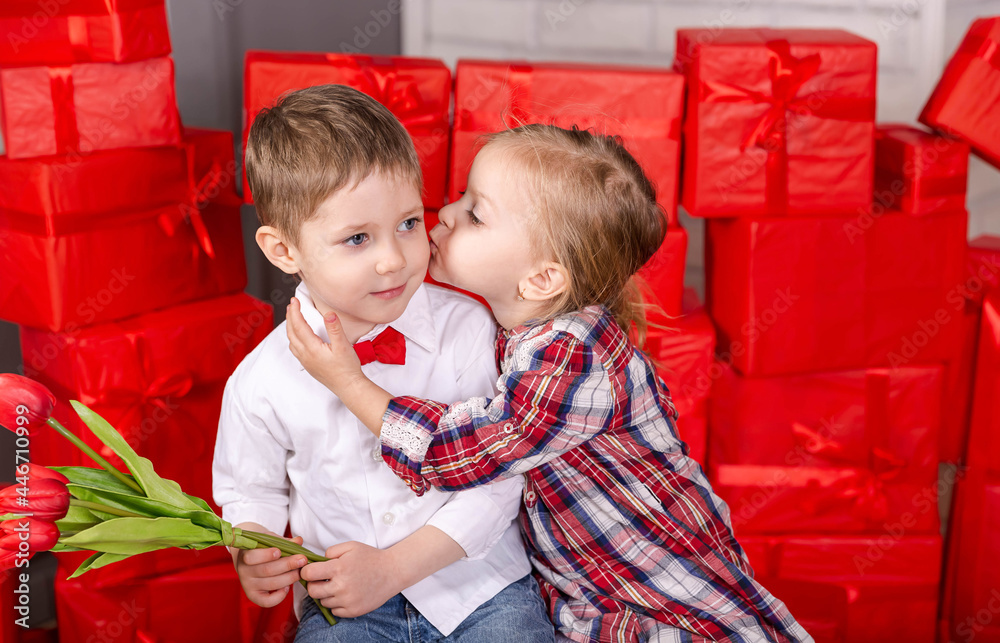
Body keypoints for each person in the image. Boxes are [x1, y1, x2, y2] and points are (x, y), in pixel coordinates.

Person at [285, 124, 815, 643]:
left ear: (541, 279)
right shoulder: (517, 330)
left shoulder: (573, 357)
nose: (444, 213)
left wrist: (348, 382)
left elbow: (461, 451)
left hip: (662, 602)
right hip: (589, 598)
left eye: (474, 214)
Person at [212, 84, 554, 643]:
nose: (393, 259)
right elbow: (250, 488)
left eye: (408, 223)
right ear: (283, 251)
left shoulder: (469, 331)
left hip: (478, 588)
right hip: (345, 609)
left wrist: (394, 569)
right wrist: (251, 547)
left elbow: (498, 478)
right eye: (356, 239)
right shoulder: (261, 380)